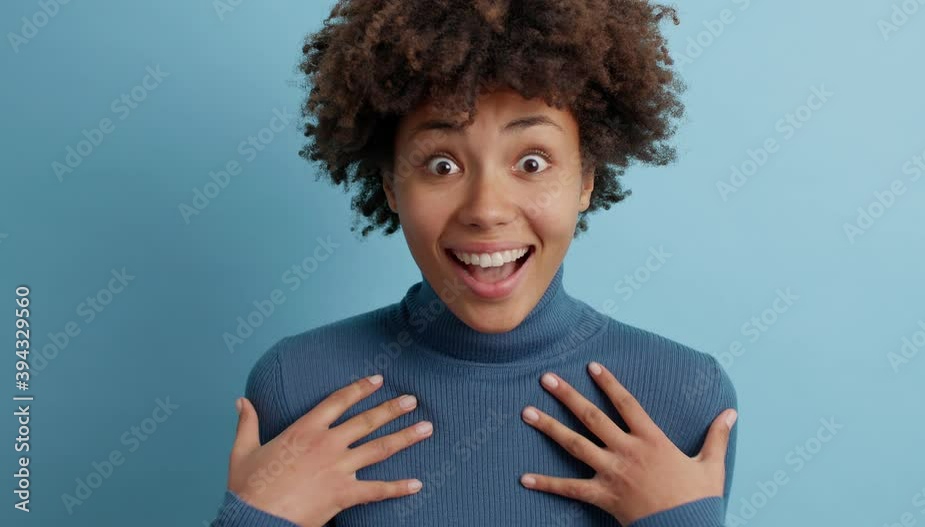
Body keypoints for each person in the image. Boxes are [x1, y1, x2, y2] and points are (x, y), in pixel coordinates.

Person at [211, 1, 738, 525]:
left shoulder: (685, 394)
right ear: (391, 185)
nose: (486, 210)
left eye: (532, 162)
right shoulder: (298, 385)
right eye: (442, 164)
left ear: (585, 179)